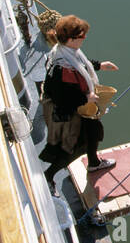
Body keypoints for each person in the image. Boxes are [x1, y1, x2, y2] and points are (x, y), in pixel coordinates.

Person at [39, 16, 120, 194]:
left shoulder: (66, 52)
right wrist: (86, 98)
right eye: (81, 36)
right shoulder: (61, 68)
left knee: (94, 132)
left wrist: (100, 65)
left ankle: (93, 163)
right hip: (68, 111)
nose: (84, 38)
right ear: (71, 39)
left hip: (79, 106)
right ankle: (49, 175)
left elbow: (82, 66)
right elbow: (61, 97)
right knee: (74, 147)